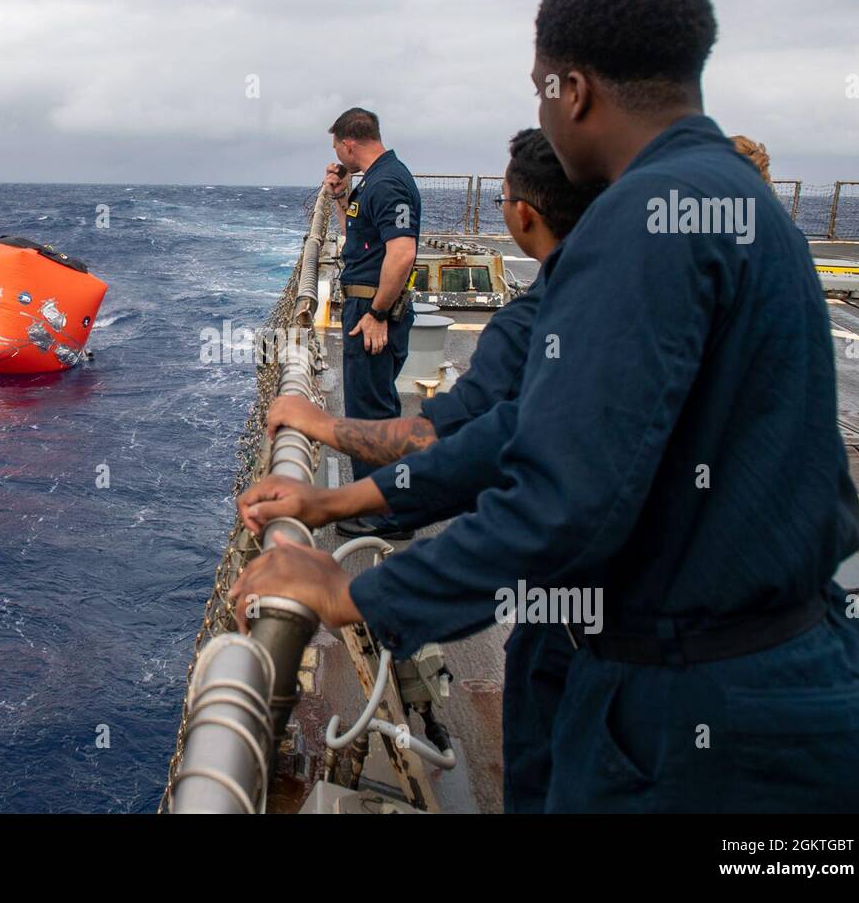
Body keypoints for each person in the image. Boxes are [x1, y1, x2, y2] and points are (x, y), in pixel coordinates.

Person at [232, 0, 859, 812]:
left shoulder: (642, 224)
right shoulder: (737, 201)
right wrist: (333, 505)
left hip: (705, 736)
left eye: (540, 91)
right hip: (795, 699)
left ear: (572, 91)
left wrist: (352, 591)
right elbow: (520, 437)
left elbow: (563, 498)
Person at [241, 127, 604, 812]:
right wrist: (333, 503)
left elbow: (505, 481)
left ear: (522, 213)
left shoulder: (555, 319)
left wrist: (358, 595)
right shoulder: (632, 298)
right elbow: (474, 440)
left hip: (621, 661)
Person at [323, 108, 420, 539]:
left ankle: (387, 516)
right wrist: (342, 197)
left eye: (336, 150)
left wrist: (378, 314)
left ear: (348, 144)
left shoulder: (388, 182)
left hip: (371, 314)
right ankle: (382, 506)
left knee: (371, 418)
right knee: (373, 410)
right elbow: (361, 242)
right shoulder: (374, 182)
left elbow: (401, 254)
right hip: (365, 308)